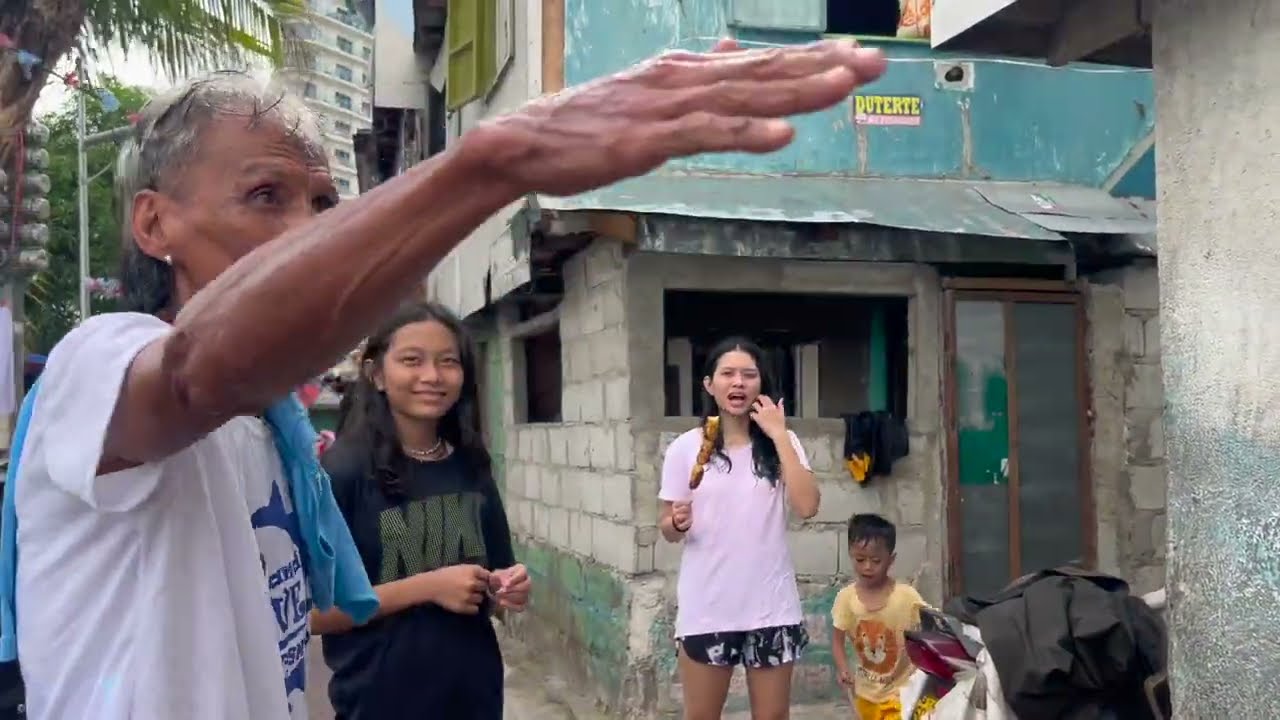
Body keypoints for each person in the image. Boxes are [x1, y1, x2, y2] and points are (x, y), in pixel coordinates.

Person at [2, 38, 886, 720]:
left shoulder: (277, 440)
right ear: (154, 223)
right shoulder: (99, 365)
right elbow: (198, 373)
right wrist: (489, 164)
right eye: (265, 197)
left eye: (323, 206)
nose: (307, 231)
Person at [315, 302, 529, 719]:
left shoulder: (471, 465)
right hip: (379, 703)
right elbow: (313, 614)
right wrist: (427, 587)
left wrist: (508, 588)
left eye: (448, 362)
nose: (432, 376)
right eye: (412, 360)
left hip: (474, 698)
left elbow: (498, 576)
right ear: (377, 373)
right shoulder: (342, 472)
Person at [659, 337, 821, 720]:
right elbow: (666, 526)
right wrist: (676, 523)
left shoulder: (784, 442)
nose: (738, 383)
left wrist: (779, 433)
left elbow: (807, 506)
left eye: (749, 375)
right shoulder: (685, 448)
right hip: (708, 608)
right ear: (708, 384)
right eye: (727, 374)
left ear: (760, 385)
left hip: (772, 608)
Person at [831, 513, 928, 720]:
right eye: (860, 559)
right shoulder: (846, 599)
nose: (867, 566)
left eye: (876, 560)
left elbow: (932, 627)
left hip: (901, 692)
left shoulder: (907, 597)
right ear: (850, 554)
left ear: (890, 560)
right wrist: (842, 669)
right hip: (865, 694)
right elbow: (837, 641)